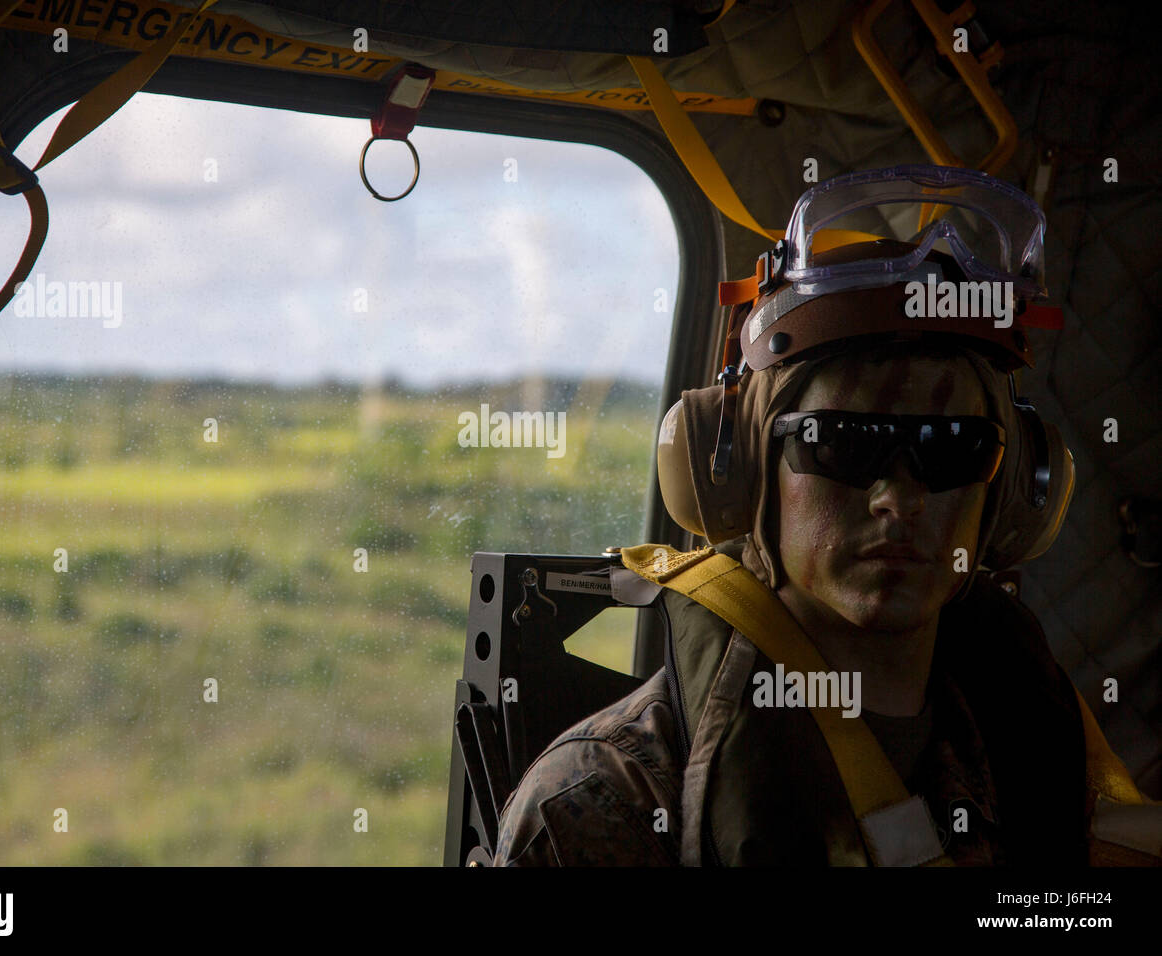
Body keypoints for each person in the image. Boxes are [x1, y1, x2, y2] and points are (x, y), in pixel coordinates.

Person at [492, 166, 1160, 866]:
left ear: (1018, 487)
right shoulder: (609, 800)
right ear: (740, 470)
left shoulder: (1044, 760)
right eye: (840, 442)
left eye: (953, 448)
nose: (898, 500)